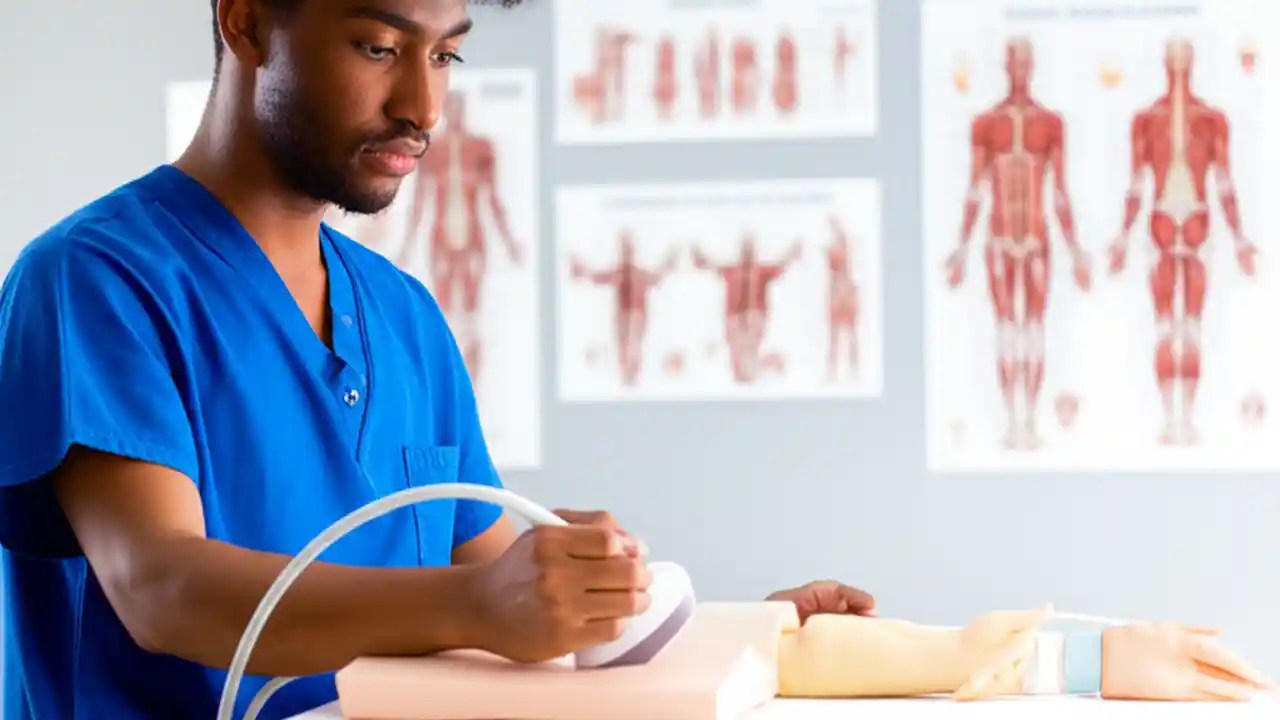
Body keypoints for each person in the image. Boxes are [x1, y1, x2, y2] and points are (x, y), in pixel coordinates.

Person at [0, 2, 874, 719]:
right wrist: (481, 606)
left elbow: (503, 586)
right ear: (247, 21)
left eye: (447, 58)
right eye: (380, 47)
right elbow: (163, 589)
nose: (423, 106)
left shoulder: (404, 317)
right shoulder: (94, 282)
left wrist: (728, 629)